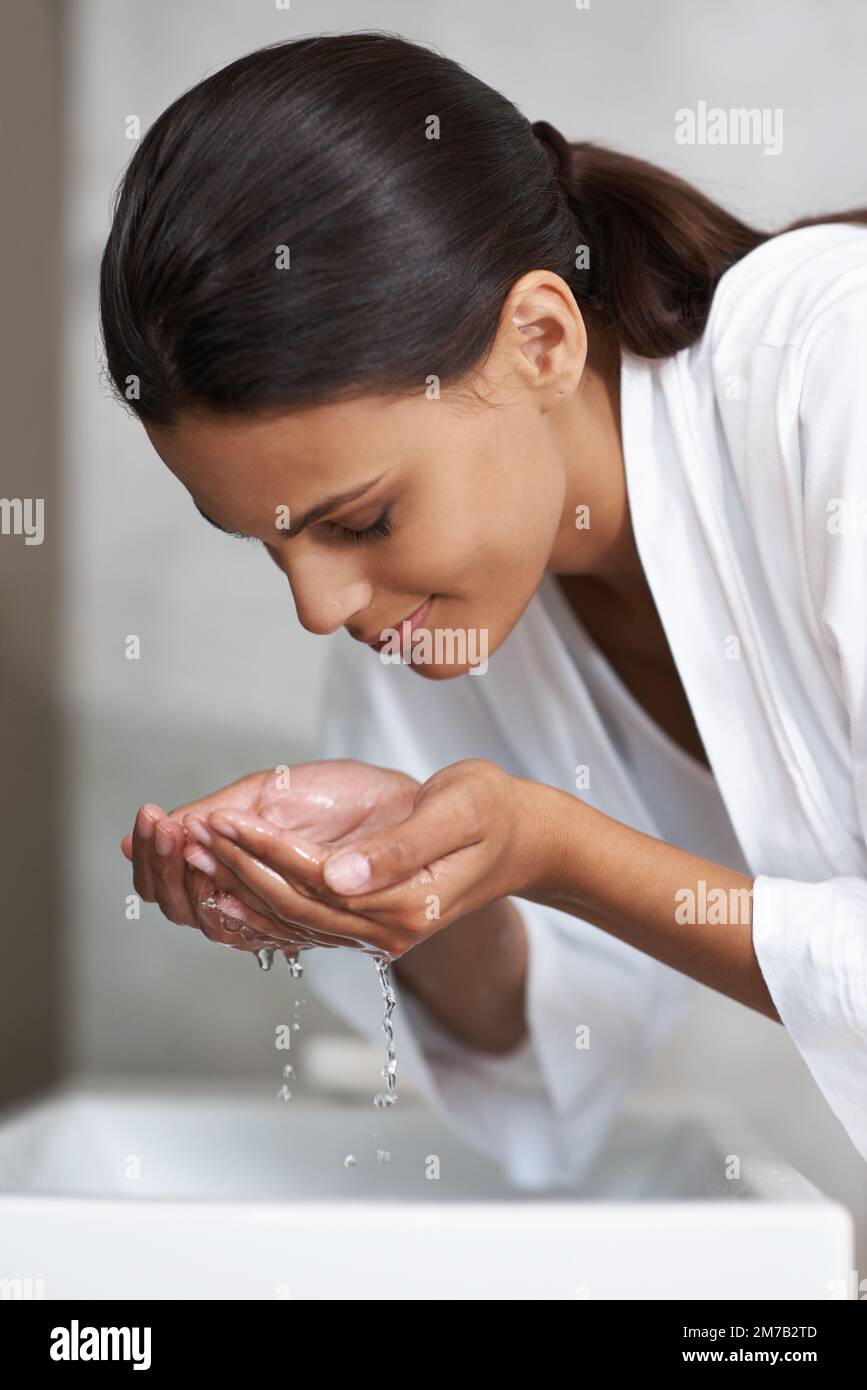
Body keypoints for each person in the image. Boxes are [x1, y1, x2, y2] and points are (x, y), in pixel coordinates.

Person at [109, 33, 867, 1187]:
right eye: (270, 545)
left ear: (542, 340)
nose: (323, 605)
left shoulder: (831, 375)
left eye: (357, 520)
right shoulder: (445, 614)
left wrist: (549, 849)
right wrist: (403, 881)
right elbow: (542, 1062)